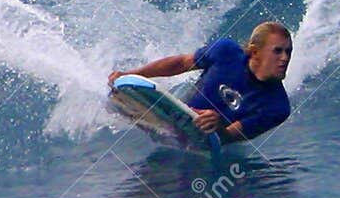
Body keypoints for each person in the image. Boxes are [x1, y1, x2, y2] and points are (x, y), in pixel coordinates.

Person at [108, 21, 292, 143]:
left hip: (204, 138)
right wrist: (130, 74)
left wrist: (219, 127)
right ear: (255, 52)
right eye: (278, 51)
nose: (285, 58)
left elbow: (231, 137)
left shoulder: (277, 106)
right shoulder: (225, 51)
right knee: (114, 106)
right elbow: (181, 63)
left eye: (288, 52)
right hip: (181, 107)